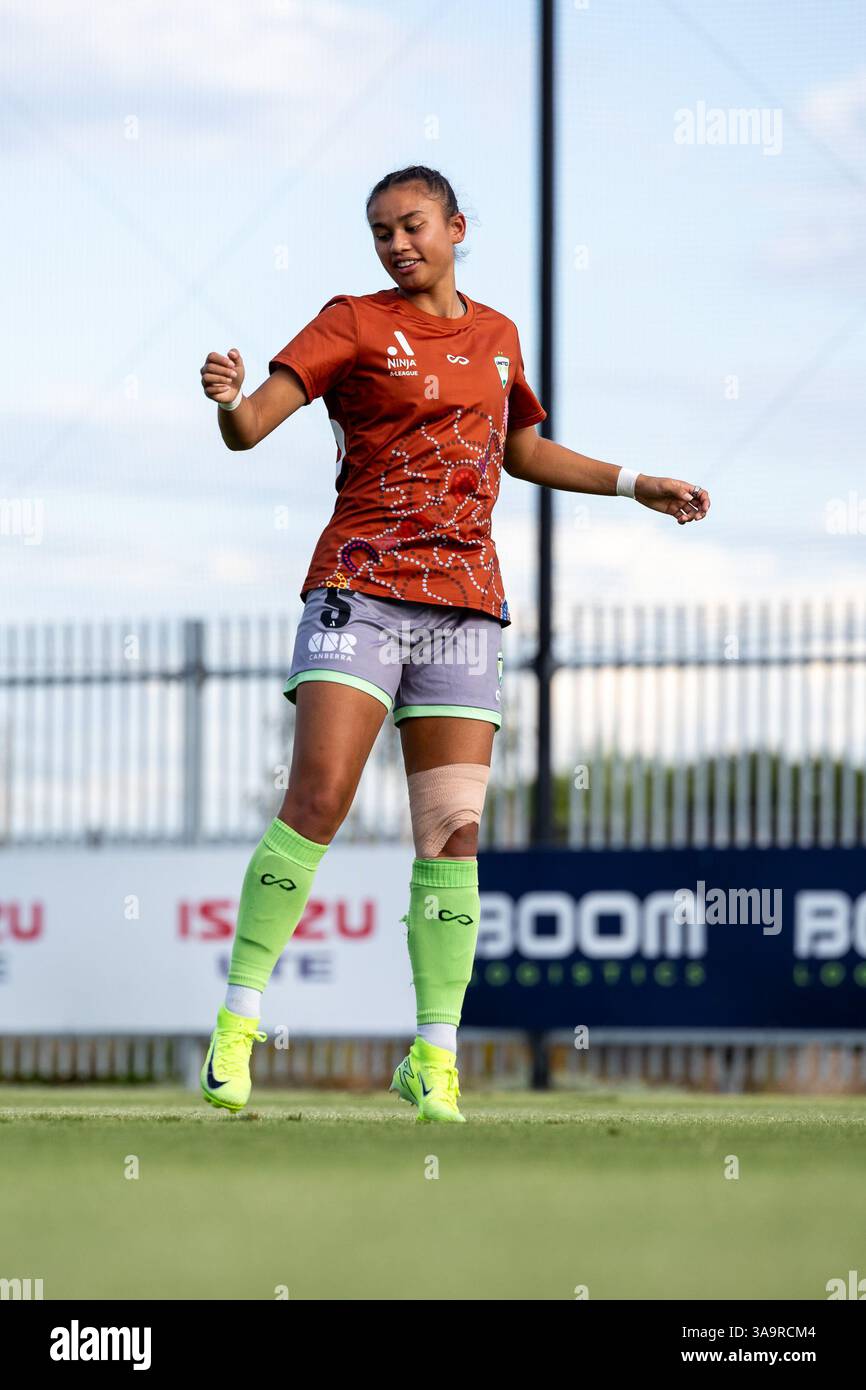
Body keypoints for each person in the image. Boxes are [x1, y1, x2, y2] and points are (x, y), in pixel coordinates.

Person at [198, 164, 710, 1123]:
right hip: (361, 590)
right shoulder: (351, 320)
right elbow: (251, 427)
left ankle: (433, 1058)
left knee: (453, 836)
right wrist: (231, 400)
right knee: (318, 799)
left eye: (413, 225)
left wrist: (634, 481)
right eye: (382, 231)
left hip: (467, 606)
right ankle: (237, 1023)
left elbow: (519, 450)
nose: (397, 244)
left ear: (455, 227)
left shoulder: (499, 337)